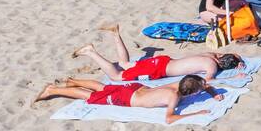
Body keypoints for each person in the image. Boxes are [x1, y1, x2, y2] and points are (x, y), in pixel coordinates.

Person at [72, 24, 243, 83]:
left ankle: (116, 34)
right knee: (116, 76)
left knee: (124, 65)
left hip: (164, 61)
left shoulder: (211, 56)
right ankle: (91, 52)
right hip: (159, 70)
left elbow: (233, 53)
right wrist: (232, 77)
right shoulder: (211, 66)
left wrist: (238, 59)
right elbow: (210, 80)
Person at [33, 73, 215, 124]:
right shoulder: (173, 97)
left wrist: (213, 92)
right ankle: (52, 89)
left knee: (102, 87)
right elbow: (169, 119)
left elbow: (200, 84)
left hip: (136, 88)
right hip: (129, 98)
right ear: (191, 92)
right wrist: (197, 112)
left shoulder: (179, 84)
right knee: (92, 96)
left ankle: (72, 80)